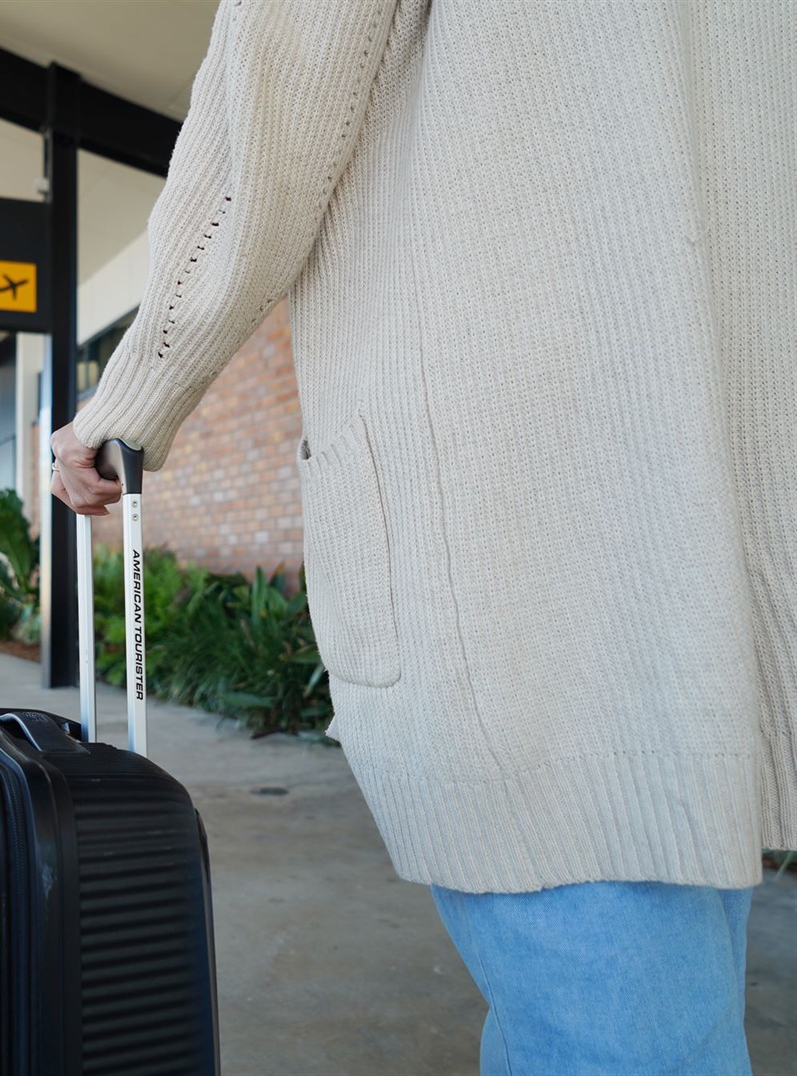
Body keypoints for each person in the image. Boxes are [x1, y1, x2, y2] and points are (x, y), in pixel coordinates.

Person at [51, 1, 795, 1072]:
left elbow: (271, 114)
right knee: (670, 967)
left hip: (531, 536)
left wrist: (133, 391)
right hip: (724, 519)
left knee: (627, 1018)